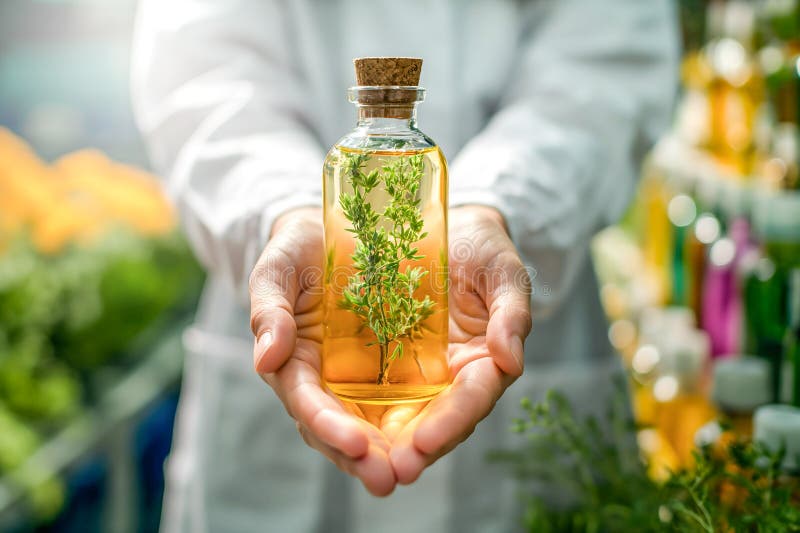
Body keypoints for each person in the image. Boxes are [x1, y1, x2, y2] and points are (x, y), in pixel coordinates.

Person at [132, 1, 678, 531]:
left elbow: (605, 66)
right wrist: (286, 212)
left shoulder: (418, 160)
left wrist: (498, 206)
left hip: (539, 330)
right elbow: (202, 73)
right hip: (275, 403)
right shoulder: (350, 159)